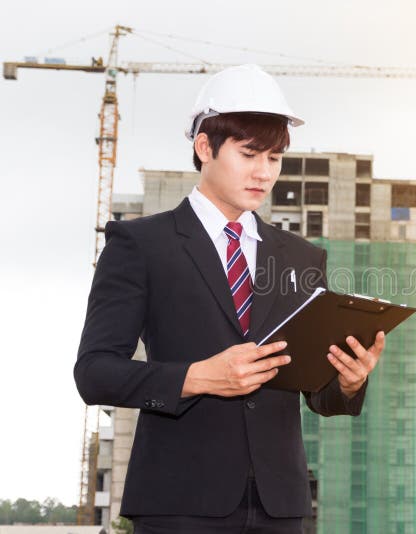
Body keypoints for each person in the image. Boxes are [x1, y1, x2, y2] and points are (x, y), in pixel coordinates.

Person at [74, 64, 384, 533]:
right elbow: (95, 373)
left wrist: (346, 381)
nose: (264, 172)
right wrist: (197, 377)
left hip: (280, 506)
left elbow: (317, 394)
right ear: (205, 147)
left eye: (275, 158)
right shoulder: (140, 245)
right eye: (249, 153)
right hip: (178, 501)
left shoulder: (303, 258)